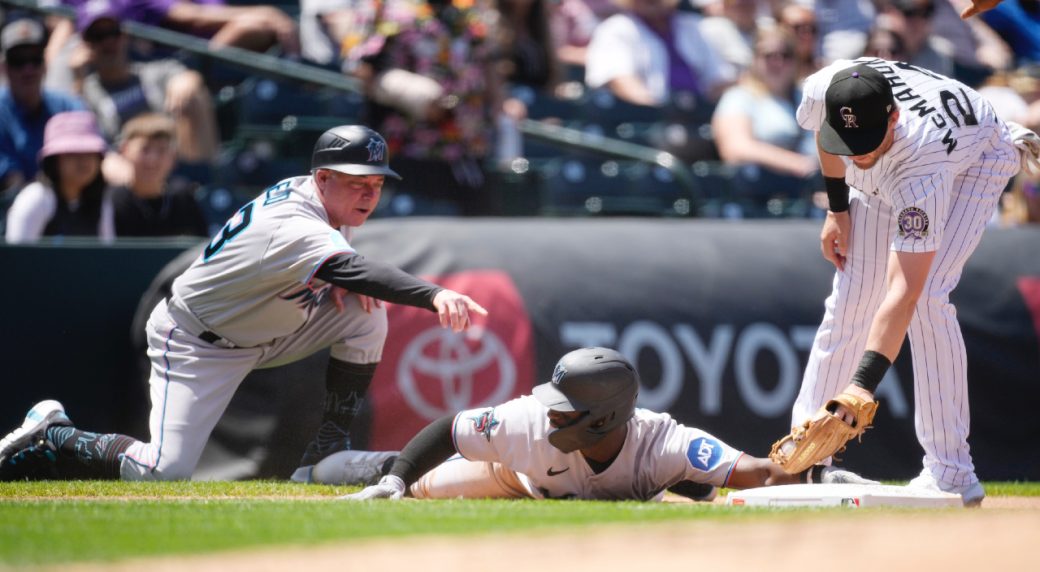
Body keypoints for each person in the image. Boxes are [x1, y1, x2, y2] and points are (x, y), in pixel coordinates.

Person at [0, 125, 489, 482]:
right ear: (320, 179)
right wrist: (435, 293)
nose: (369, 192)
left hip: (270, 330)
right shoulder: (292, 221)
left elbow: (345, 268)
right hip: (198, 342)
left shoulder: (329, 205)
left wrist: (342, 275)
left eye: (376, 183)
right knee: (163, 472)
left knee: (365, 314)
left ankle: (326, 446)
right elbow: (352, 268)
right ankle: (54, 434)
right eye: (356, 180)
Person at [787, 58, 1039, 506]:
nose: (855, 152)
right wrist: (837, 208)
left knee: (928, 300)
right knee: (850, 298)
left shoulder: (922, 162)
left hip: (973, 161)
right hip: (899, 166)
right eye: (847, 140)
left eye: (863, 140)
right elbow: (828, 135)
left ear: (893, 117)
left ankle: (952, 472)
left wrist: (861, 385)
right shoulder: (822, 90)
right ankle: (807, 463)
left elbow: (904, 290)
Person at [341, 347, 877, 501]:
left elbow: (755, 473)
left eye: (565, 407)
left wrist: (818, 475)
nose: (551, 411)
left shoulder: (664, 444)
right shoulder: (525, 420)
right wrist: (393, 478)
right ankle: (360, 467)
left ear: (607, 417)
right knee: (408, 485)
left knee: (700, 494)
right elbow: (449, 428)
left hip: (558, 486)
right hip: (511, 475)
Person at [75, 0, 219, 176]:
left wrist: (187, 80)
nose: (108, 42)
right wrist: (77, 78)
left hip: (170, 158)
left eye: (113, 33)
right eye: (98, 36)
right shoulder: (85, 89)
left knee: (193, 95)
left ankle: (201, 177)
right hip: (125, 174)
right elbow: (78, 129)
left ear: (124, 35)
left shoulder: (153, 72)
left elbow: (188, 77)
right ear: (85, 43)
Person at [710, 27, 818, 182]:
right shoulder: (738, 97)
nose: (777, 62)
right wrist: (799, 164)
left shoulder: (807, 97)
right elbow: (735, 148)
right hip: (762, 194)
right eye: (769, 55)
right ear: (754, 59)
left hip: (813, 190)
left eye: (785, 55)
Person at [584, 0, 736, 107]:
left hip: (697, 116)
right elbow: (621, 81)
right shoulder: (615, 28)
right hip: (646, 122)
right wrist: (659, 110)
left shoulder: (694, 25)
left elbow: (719, 80)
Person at [0, 18, 86, 193]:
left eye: (35, 60)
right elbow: (12, 182)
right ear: (4, 68)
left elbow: (93, 155)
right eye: (18, 61)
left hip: (70, 203)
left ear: (45, 64)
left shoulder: (67, 104)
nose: (28, 70)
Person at [4, 110, 113, 243]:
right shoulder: (36, 198)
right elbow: (18, 259)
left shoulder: (101, 201)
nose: (84, 161)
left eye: (90, 153)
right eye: (73, 153)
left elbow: (107, 255)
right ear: (54, 160)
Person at [110, 112, 209, 238]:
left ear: (173, 156)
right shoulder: (113, 200)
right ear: (124, 150)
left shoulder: (182, 196)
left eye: (162, 150)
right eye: (144, 149)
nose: (152, 159)